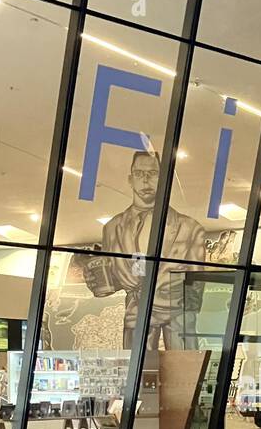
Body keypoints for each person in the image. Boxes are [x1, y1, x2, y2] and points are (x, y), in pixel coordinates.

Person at [82, 150, 206, 351]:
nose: (146, 180)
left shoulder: (190, 228)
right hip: (136, 316)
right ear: (130, 179)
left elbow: (195, 286)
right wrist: (102, 280)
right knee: (137, 377)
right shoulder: (112, 228)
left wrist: (165, 300)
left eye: (153, 173)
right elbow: (122, 272)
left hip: (177, 316)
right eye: (139, 174)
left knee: (184, 376)